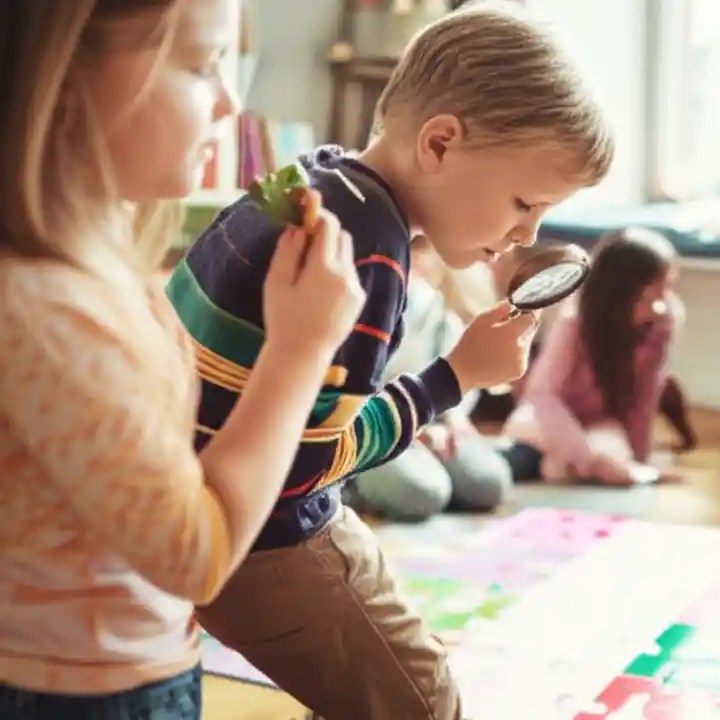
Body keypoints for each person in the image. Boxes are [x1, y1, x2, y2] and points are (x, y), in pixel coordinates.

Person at [165, 4, 613, 719]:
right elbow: (307, 467)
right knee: (424, 703)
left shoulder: (313, 178)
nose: (528, 234)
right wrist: (454, 378)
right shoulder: (370, 252)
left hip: (193, 502)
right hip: (266, 542)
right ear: (439, 143)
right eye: (524, 202)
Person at [0, 0, 365, 717]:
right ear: (63, 82)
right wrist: (298, 352)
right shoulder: (48, 309)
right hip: (79, 695)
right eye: (202, 65)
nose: (230, 102)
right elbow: (198, 555)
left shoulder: (97, 263)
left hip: (128, 664)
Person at [503, 228, 683, 485]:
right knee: (535, 441)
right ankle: (556, 464)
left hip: (600, 424)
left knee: (614, 455)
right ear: (616, 296)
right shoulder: (576, 322)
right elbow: (543, 394)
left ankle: (559, 467)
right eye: (647, 296)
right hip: (551, 419)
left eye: (666, 291)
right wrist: (586, 457)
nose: (660, 306)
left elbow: (645, 396)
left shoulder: (662, 321)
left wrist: (640, 460)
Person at [347, 244, 512, 522]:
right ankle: (348, 487)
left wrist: (454, 421)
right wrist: (410, 428)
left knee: (489, 483)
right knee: (424, 492)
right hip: (373, 426)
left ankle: (423, 469)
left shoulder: (435, 308)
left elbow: (454, 374)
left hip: (431, 421)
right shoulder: (365, 298)